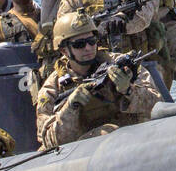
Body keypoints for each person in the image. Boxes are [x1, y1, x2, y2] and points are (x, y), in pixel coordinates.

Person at [34, 12, 161, 149]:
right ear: (64, 51)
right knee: (107, 132)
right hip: (85, 153)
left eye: (92, 41)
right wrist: (70, 107)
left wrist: (129, 90)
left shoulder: (121, 65)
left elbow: (158, 105)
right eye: (79, 44)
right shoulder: (53, 87)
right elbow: (48, 142)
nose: (88, 48)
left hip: (135, 142)